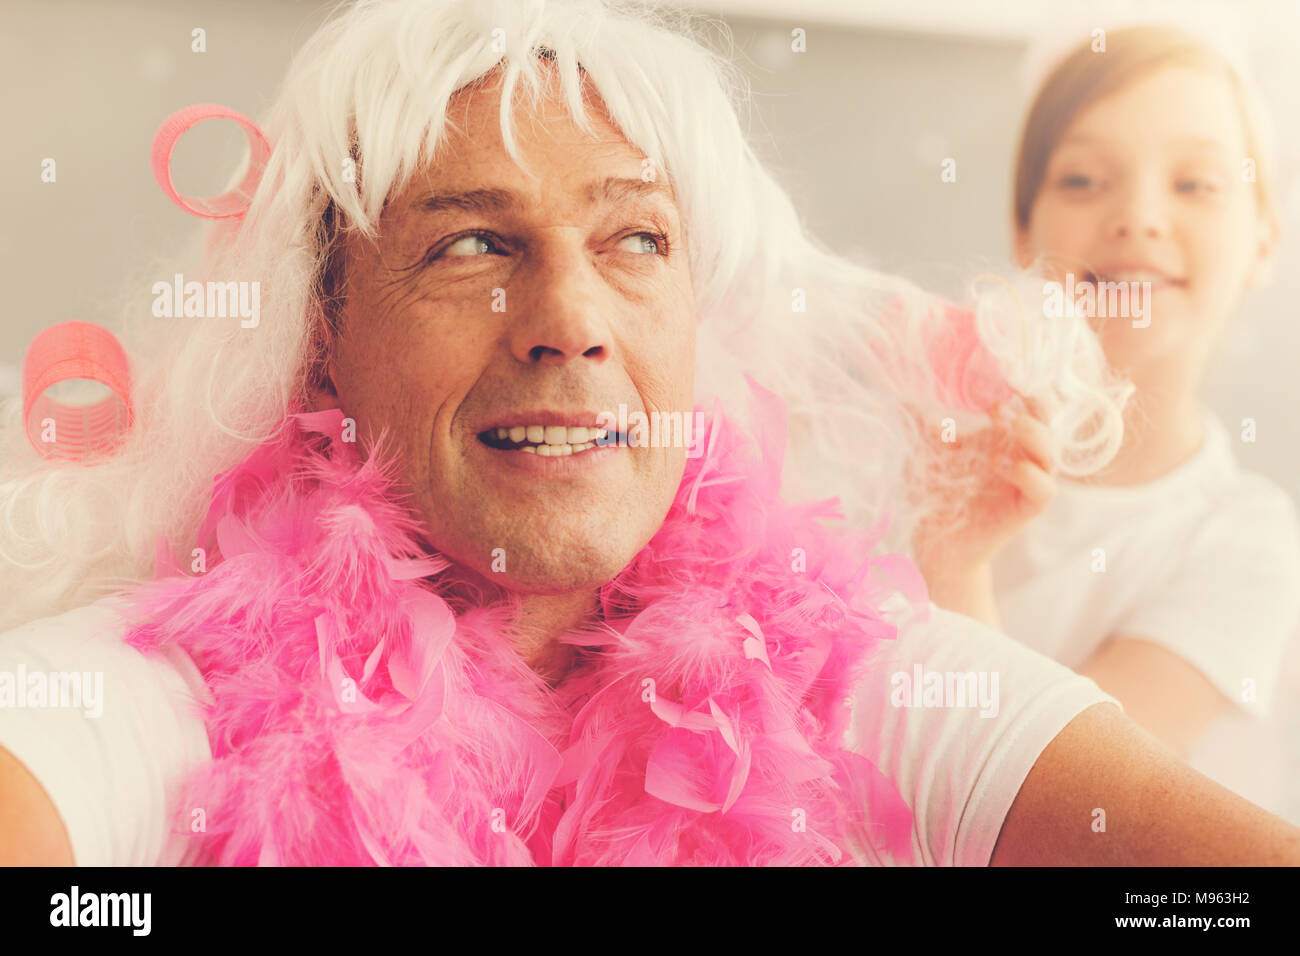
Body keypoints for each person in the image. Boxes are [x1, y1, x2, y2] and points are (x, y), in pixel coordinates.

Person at [1, 0, 1298, 866]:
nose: (569, 318)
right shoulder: (162, 695)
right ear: (322, 334)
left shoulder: (868, 676)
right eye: (470, 244)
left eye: (635, 240)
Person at [915, 25, 1300, 816]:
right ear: (1024, 231)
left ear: (1264, 238)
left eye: (1195, 184)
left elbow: (1041, 807)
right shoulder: (925, 447)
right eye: (1085, 180)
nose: (1138, 217)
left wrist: (954, 568)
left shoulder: (1245, 540)